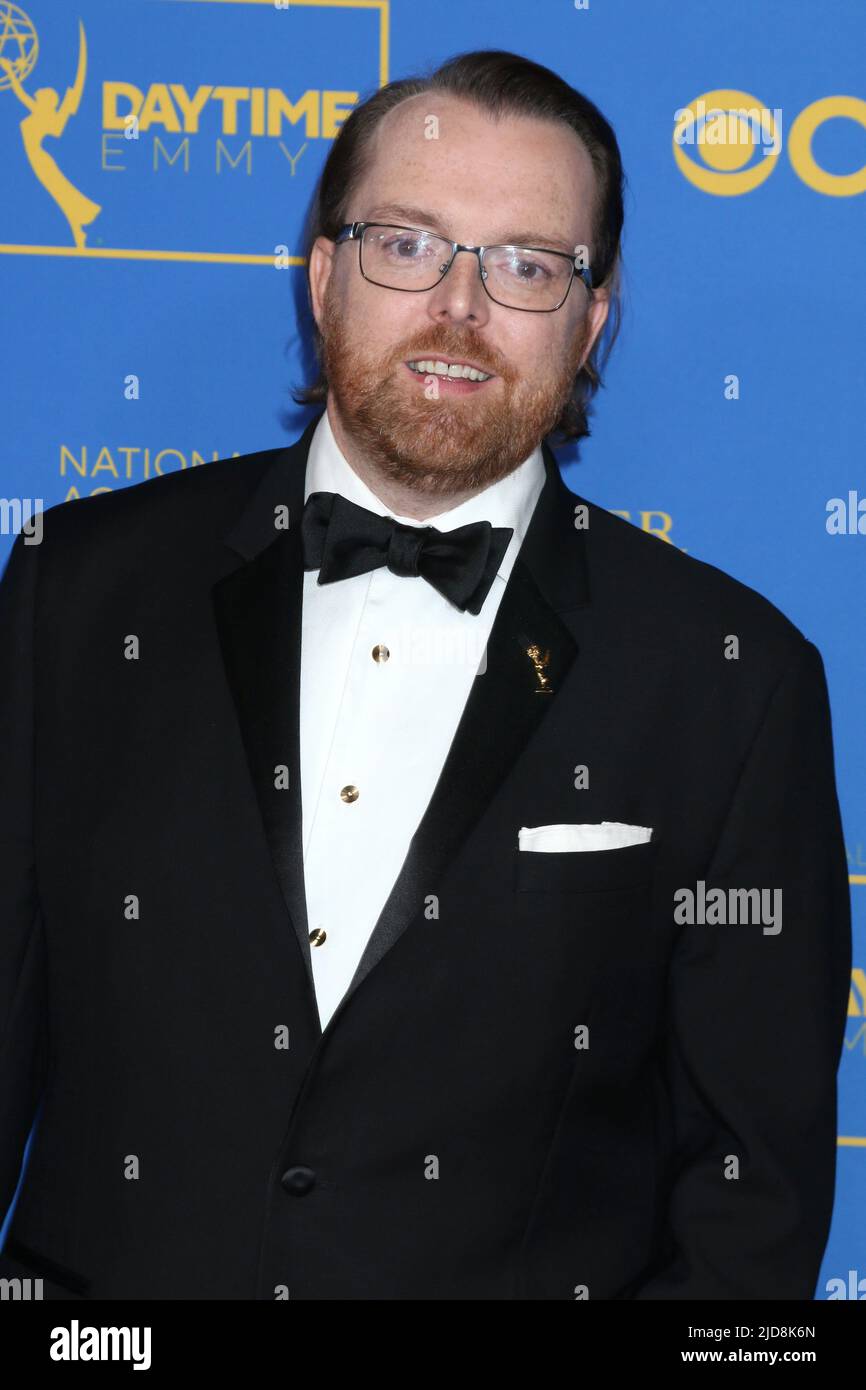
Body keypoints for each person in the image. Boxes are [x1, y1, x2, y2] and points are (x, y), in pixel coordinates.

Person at [0, 49, 850, 1300]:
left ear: (591, 313)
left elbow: (748, 1197)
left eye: (524, 264)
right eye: (407, 242)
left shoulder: (732, 680)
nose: (458, 307)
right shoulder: (77, 590)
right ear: (323, 271)